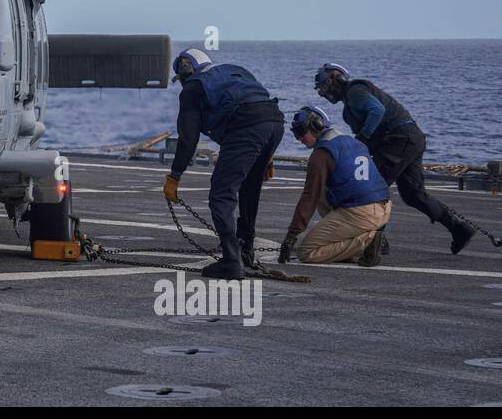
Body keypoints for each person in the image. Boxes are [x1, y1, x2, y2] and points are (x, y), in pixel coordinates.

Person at [314, 63, 475, 254]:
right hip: (411, 139)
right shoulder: (348, 108)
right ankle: (459, 228)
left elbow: (377, 110)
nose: (324, 92)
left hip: (400, 140)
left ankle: (374, 243)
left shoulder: (355, 92)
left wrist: (363, 138)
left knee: (372, 189)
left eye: (325, 85)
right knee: (413, 194)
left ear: (337, 79)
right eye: (321, 88)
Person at [164, 49, 284, 279]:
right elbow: (259, 101)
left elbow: (188, 138)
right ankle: (246, 250)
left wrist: (174, 176)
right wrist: (267, 156)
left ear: (186, 70)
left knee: (221, 194)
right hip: (275, 123)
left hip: (246, 127)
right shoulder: (236, 70)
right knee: (250, 188)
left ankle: (232, 260)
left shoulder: (193, 87)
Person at [278, 106, 393, 266]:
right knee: (324, 192)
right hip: (384, 207)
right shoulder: (354, 142)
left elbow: (310, 197)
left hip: (361, 213)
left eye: (300, 132)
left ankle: (368, 240)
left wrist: (291, 236)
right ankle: (363, 236)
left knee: (307, 252)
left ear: (316, 126)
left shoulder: (321, 155)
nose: (299, 138)